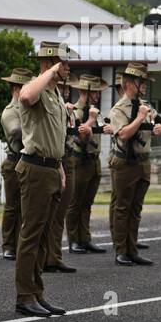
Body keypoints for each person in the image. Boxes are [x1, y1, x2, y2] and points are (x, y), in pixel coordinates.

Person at [14, 40, 71, 317]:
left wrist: (59, 166)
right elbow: (25, 98)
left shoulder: (56, 93)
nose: (69, 68)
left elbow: (54, 135)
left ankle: (37, 292)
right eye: (65, 63)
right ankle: (25, 296)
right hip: (35, 169)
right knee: (31, 235)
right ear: (52, 63)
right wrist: (49, 71)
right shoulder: (36, 88)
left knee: (44, 237)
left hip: (50, 168)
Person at [109, 64, 161, 265]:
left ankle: (132, 249)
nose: (144, 86)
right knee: (122, 207)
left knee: (136, 208)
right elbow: (124, 134)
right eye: (140, 82)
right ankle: (121, 251)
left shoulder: (146, 105)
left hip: (143, 162)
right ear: (128, 84)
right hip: (125, 163)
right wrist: (141, 117)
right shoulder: (119, 109)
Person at [67, 76, 110, 255]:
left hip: (94, 159)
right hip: (79, 159)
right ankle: (73, 240)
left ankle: (85, 238)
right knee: (75, 202)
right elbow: (78, 137)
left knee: (87, 203)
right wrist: (91, 121)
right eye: (94, 92)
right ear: (84, 92)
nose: (98, 95)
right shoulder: (74, 111)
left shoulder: (96, 112)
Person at [44, 72, 80, 274]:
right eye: (64, 88)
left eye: (68, 88)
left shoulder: (68, 109)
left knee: (61, 213)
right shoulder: (54, 106)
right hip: (56, 158)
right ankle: (48, 257)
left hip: (68, 157)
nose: (66, 91)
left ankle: (54, 256)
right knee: (52, 212)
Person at [0, 67, 31, 260]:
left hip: (27, 161)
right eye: (24, 86)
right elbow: (16, 133)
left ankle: (19, 243)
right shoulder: (10, 111)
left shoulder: (28, 109)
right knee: (12, 206)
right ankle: (8, 245)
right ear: (15, 88)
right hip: (14, 161)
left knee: (25, 207)